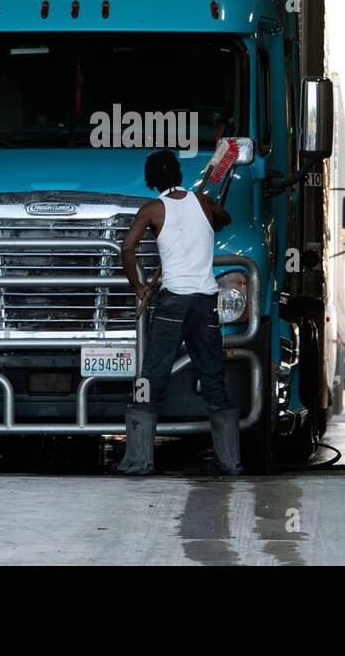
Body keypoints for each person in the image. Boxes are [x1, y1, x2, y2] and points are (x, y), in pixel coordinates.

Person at [116, 149, 241, 476]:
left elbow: (127, 247)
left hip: (173, 303)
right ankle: (231, 462)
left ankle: (138, 461)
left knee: (151, 376)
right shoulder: (201, 201)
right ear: (179, 175)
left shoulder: (153, 209)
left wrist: (138, 287)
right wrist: (208, 212)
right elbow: (224, 220)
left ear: (149, 181)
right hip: (205, 303)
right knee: (212, 376)